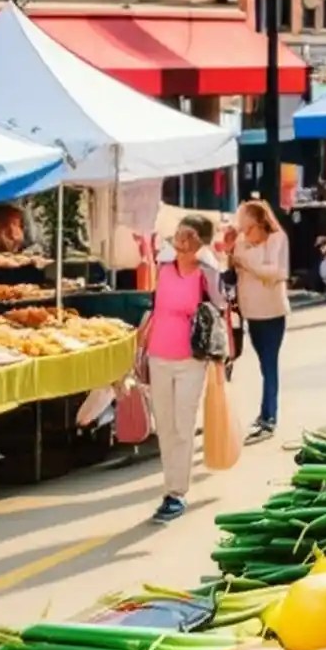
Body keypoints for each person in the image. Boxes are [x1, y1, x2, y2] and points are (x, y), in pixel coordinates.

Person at [144, 214, 226, 523]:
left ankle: (175, 492)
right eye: (179, 235)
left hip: (191, 359)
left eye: (189, 237)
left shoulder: (206, 274)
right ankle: (171, 484)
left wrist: (209, 261)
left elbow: (220, 306)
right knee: (164, 424)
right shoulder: (164, 268)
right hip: (158, 355)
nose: (182, 242)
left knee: (182, 423)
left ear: (201, 242)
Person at [230, 200, 290, 441]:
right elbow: (243, 262)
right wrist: (249, 260)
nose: (246, 234)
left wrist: (246, 261)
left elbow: (273, 272)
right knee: (263, 365)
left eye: (249, 228)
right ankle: (265, 413)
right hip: (250, 312)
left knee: (269, 364)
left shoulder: (277, 239)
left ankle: (269, 417)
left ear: (259, 223)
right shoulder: (241, 243)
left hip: (272, 312)